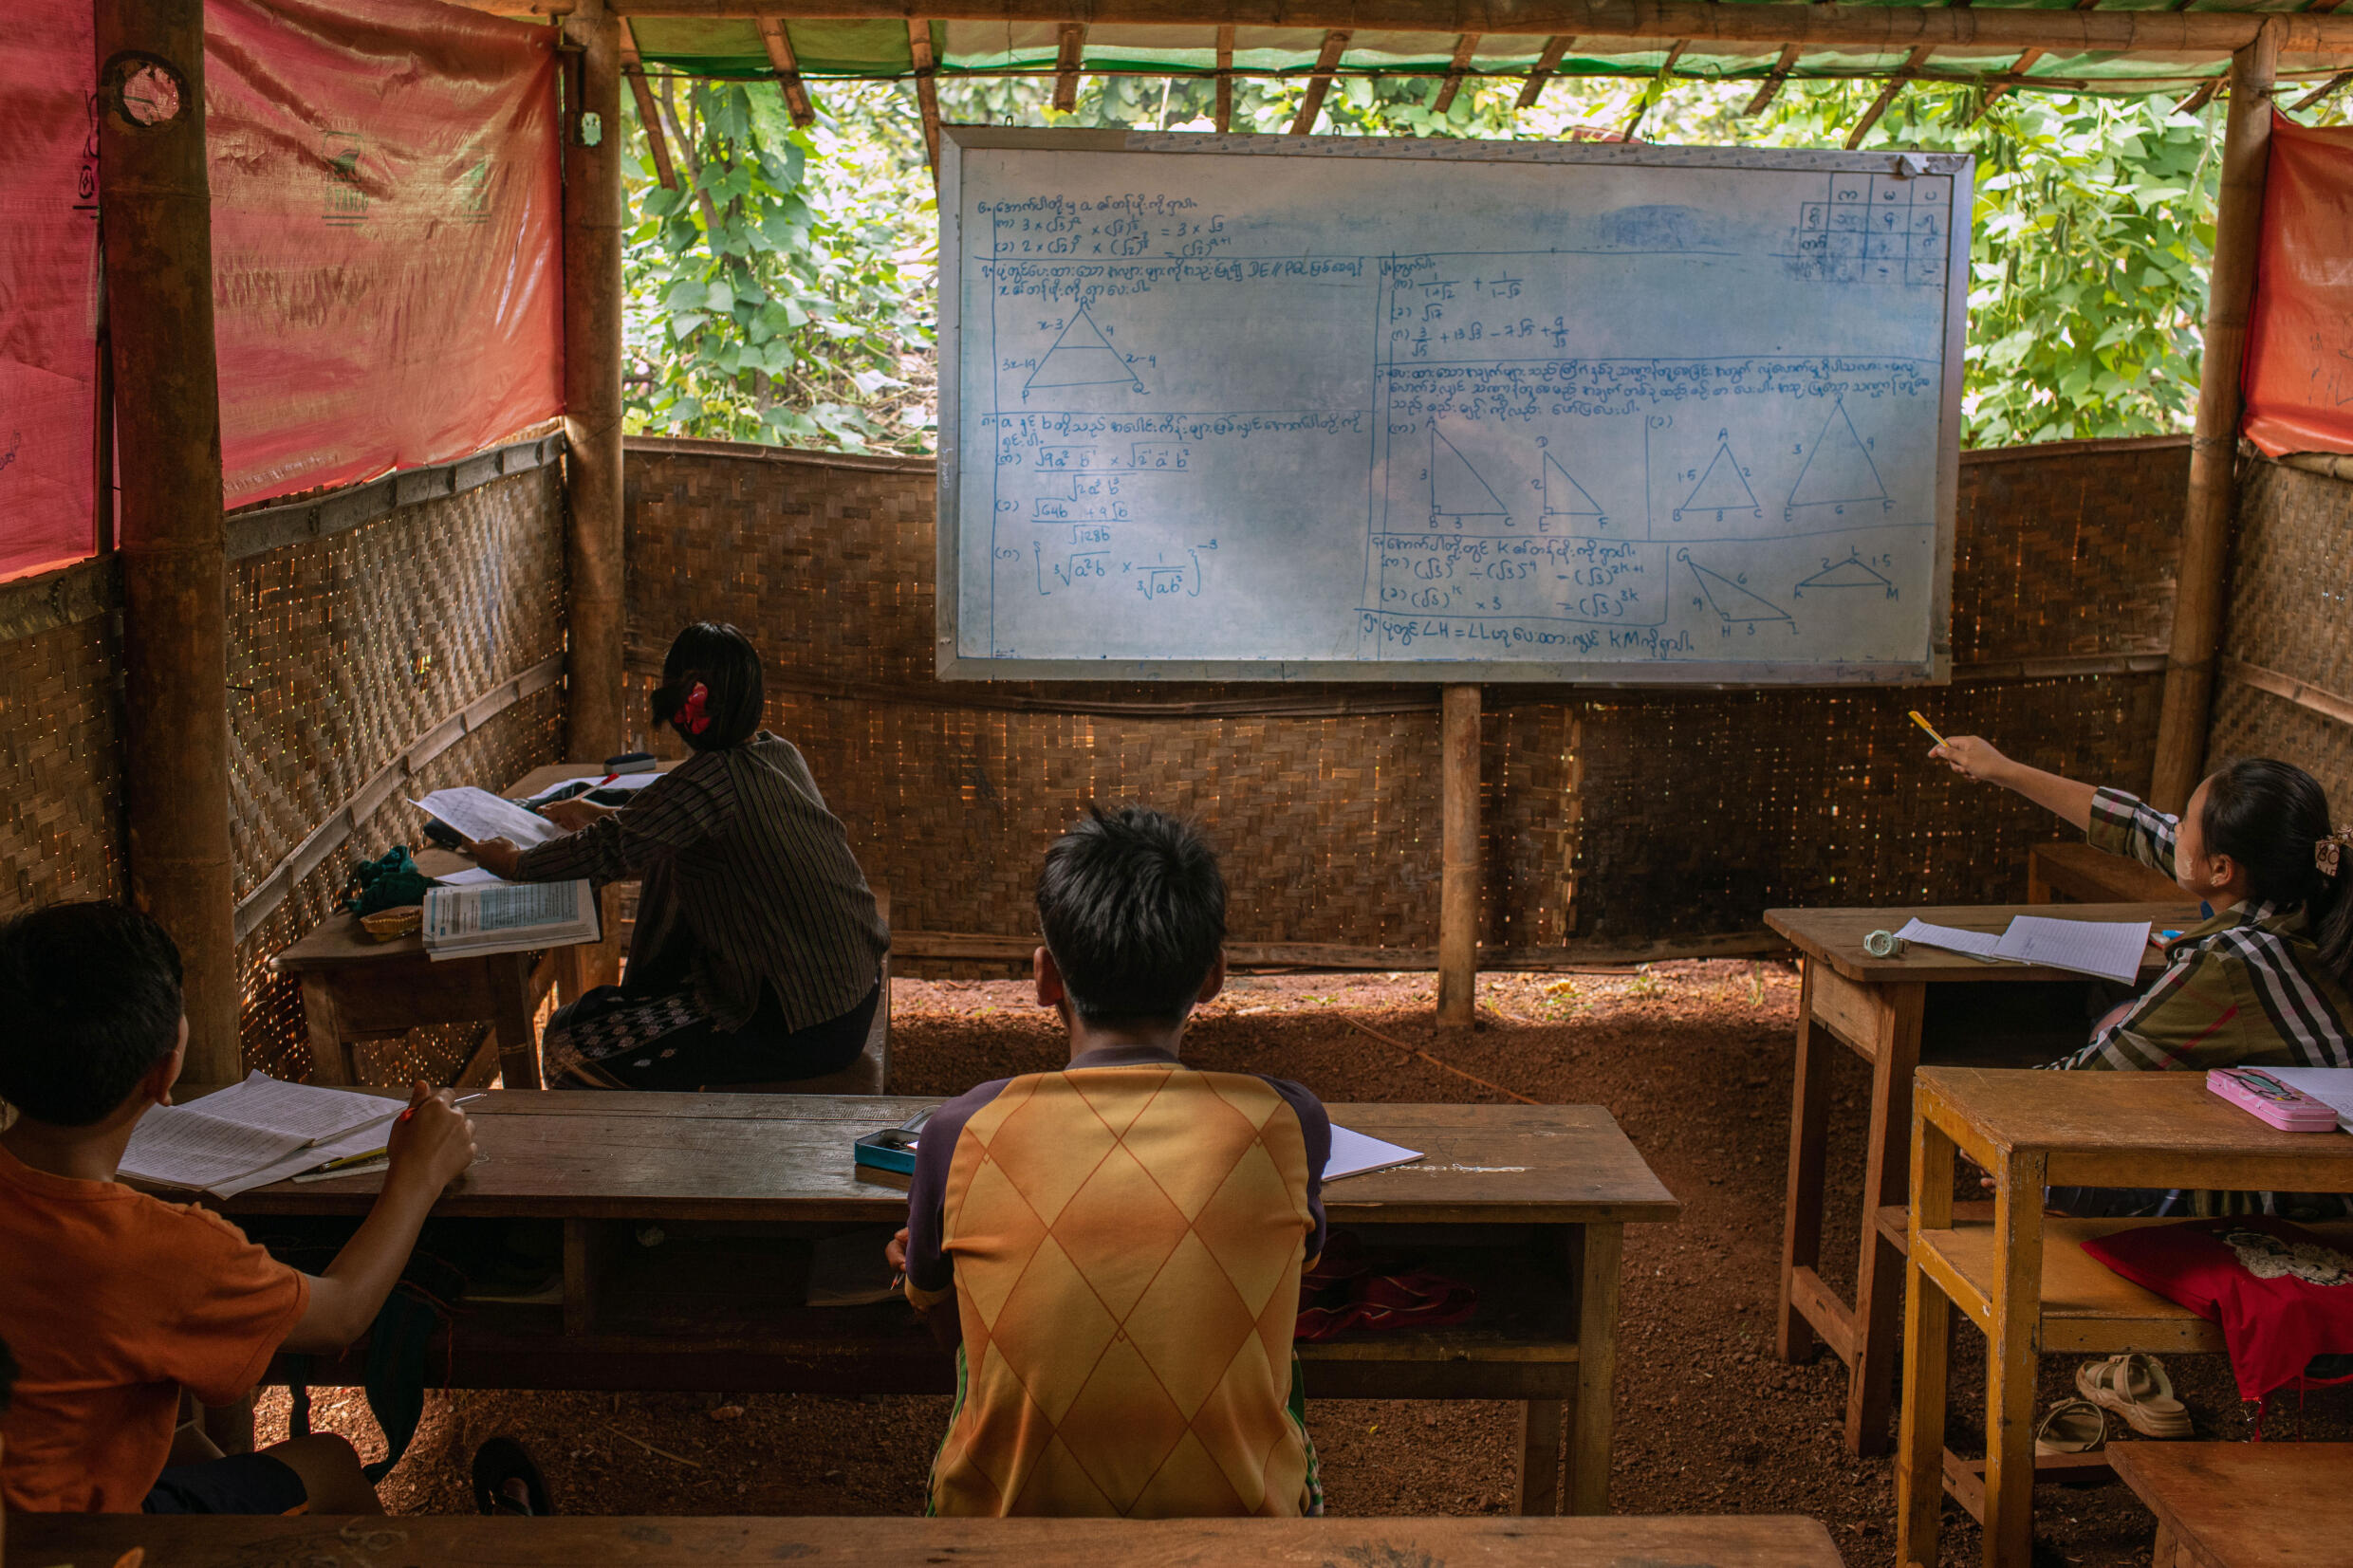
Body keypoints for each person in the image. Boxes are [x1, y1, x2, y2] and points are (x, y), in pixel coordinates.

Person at [884, 805, 1331, 1518]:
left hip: (1002, 1529)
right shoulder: (1288, 1121)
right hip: (1243, 1525)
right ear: (1214, 976)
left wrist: (928, 1266)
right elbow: (1295, 1266)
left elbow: (941, 1316)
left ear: (1045, 978)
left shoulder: (960, 1130)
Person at [0, 901, 477, 1514]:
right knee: (329, 1463)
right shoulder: (161, 1249)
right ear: (164, 1072)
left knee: (187, 1444)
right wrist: (417, 1174)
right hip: (71, 1541)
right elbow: (341, 1313)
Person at [469, 621, 889, 1090]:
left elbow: (608, 850)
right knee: (639, 959)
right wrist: (597, 814)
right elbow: (657, 820)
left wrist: (514, 863)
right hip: (850, 989)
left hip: (805, 1022)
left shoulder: (711, 782)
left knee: (569, 1043)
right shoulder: (778, 752)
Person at [1931, 738, 2353, 1075]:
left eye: (2184, 822)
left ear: (2222, 869)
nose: (2174, 829)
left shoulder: (2230, 963)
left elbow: (2094, 1072)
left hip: (2314, 1155)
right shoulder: (2307, 883)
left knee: (2114, 1027)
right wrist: (2002, 769)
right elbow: (2138, 826)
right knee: (2116, 1013)